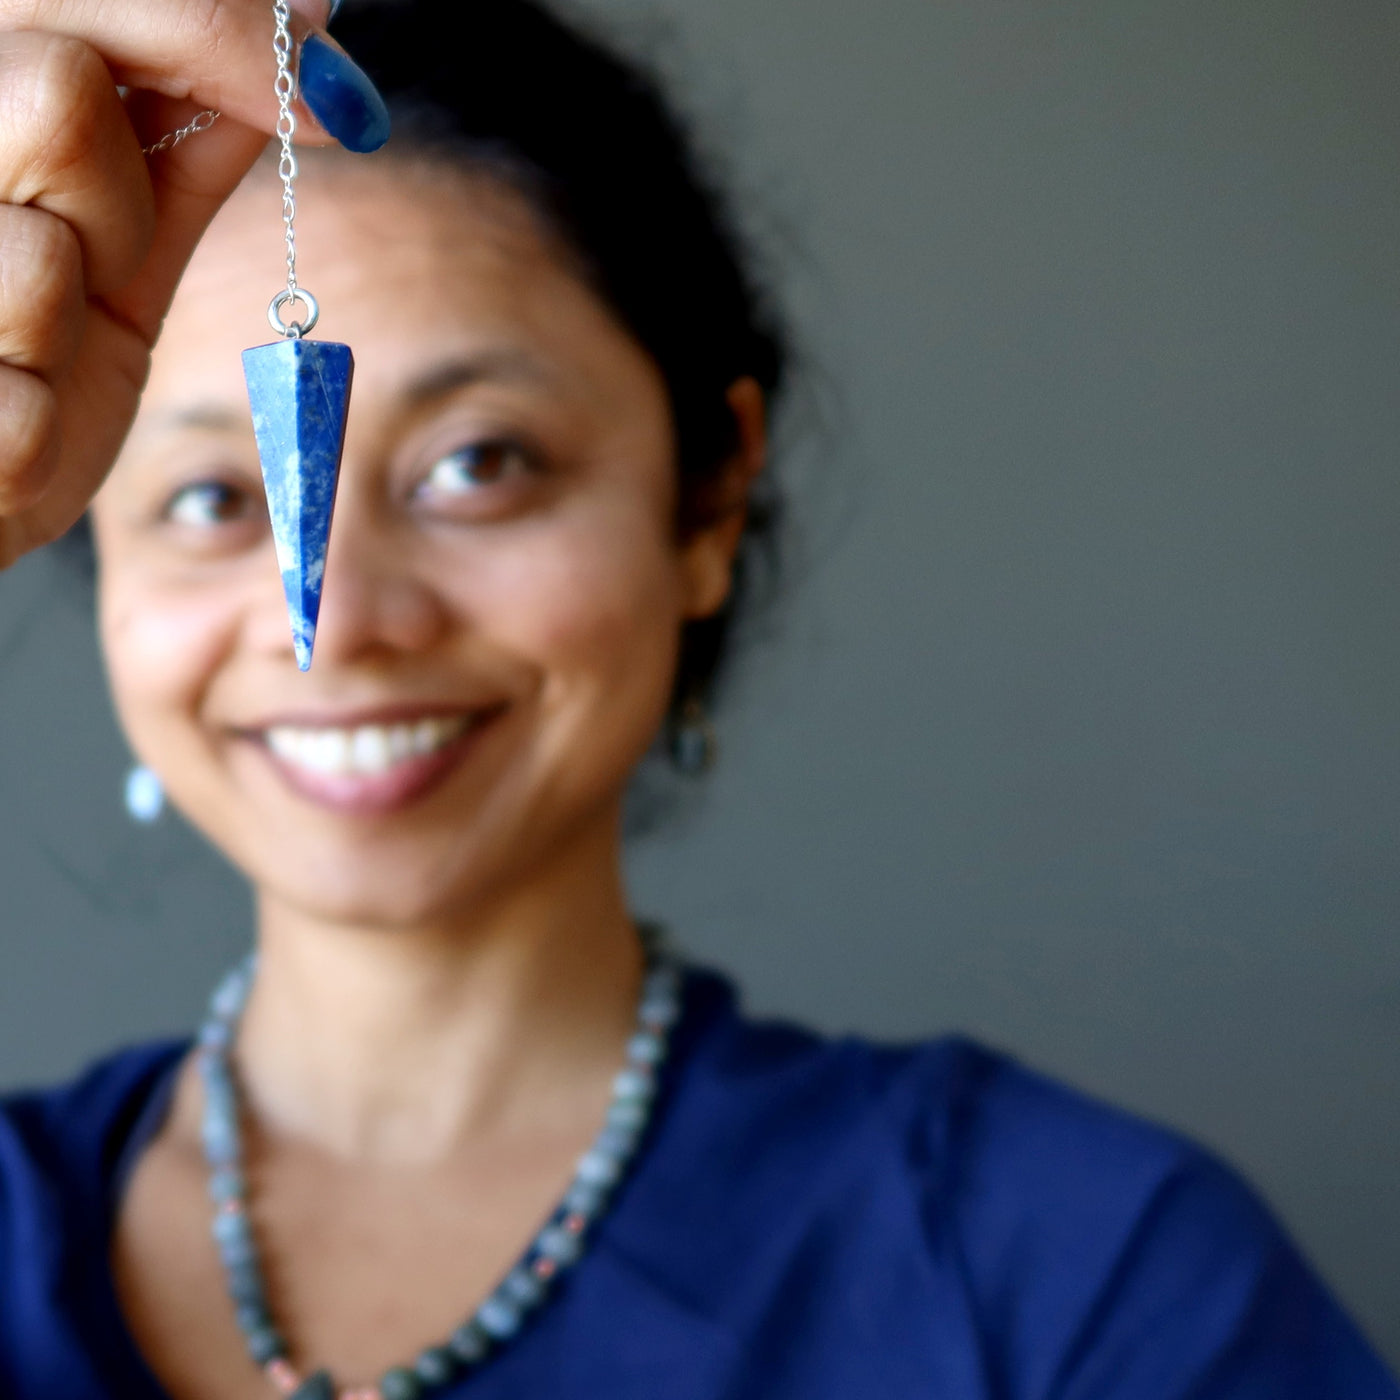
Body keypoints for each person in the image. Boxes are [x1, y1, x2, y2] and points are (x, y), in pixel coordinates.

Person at [0, 0, 1394, 1396]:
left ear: (710, 494)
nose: (344, 626)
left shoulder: (1080, 1275)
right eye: (207, 497)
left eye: (481, 464)